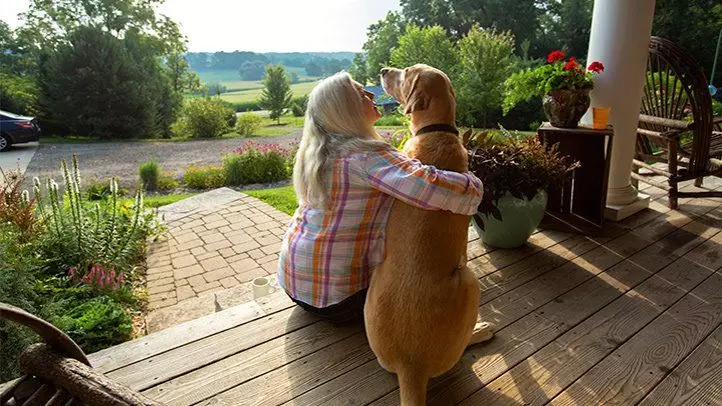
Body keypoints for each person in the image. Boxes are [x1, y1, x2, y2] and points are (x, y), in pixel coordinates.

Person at [278, 72, 484, 324]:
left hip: (293, 284)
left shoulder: (317, 152)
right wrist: (474, 184)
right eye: (362, 94)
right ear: (346, 109)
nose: (373, 95)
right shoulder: (365, 156)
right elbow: (433, 188)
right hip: (339, 300)